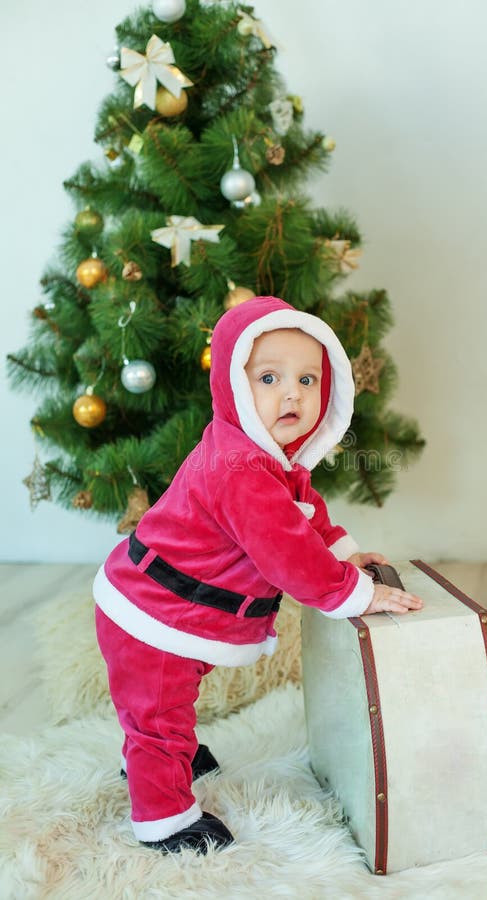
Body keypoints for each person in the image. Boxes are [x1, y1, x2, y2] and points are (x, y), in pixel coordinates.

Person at [93, 295, 423, 854]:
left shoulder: (269, 458)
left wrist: (342, 554)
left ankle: (165, 754)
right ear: (233, 386)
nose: (292, 394)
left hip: (179, 610)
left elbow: (304, 513)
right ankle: (164, 817)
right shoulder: (239, 469)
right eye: (269, 378)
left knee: (167, 703)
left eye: (307, 379)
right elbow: (287, 552)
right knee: (157, 714)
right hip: (151, 612)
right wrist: (353, 593)